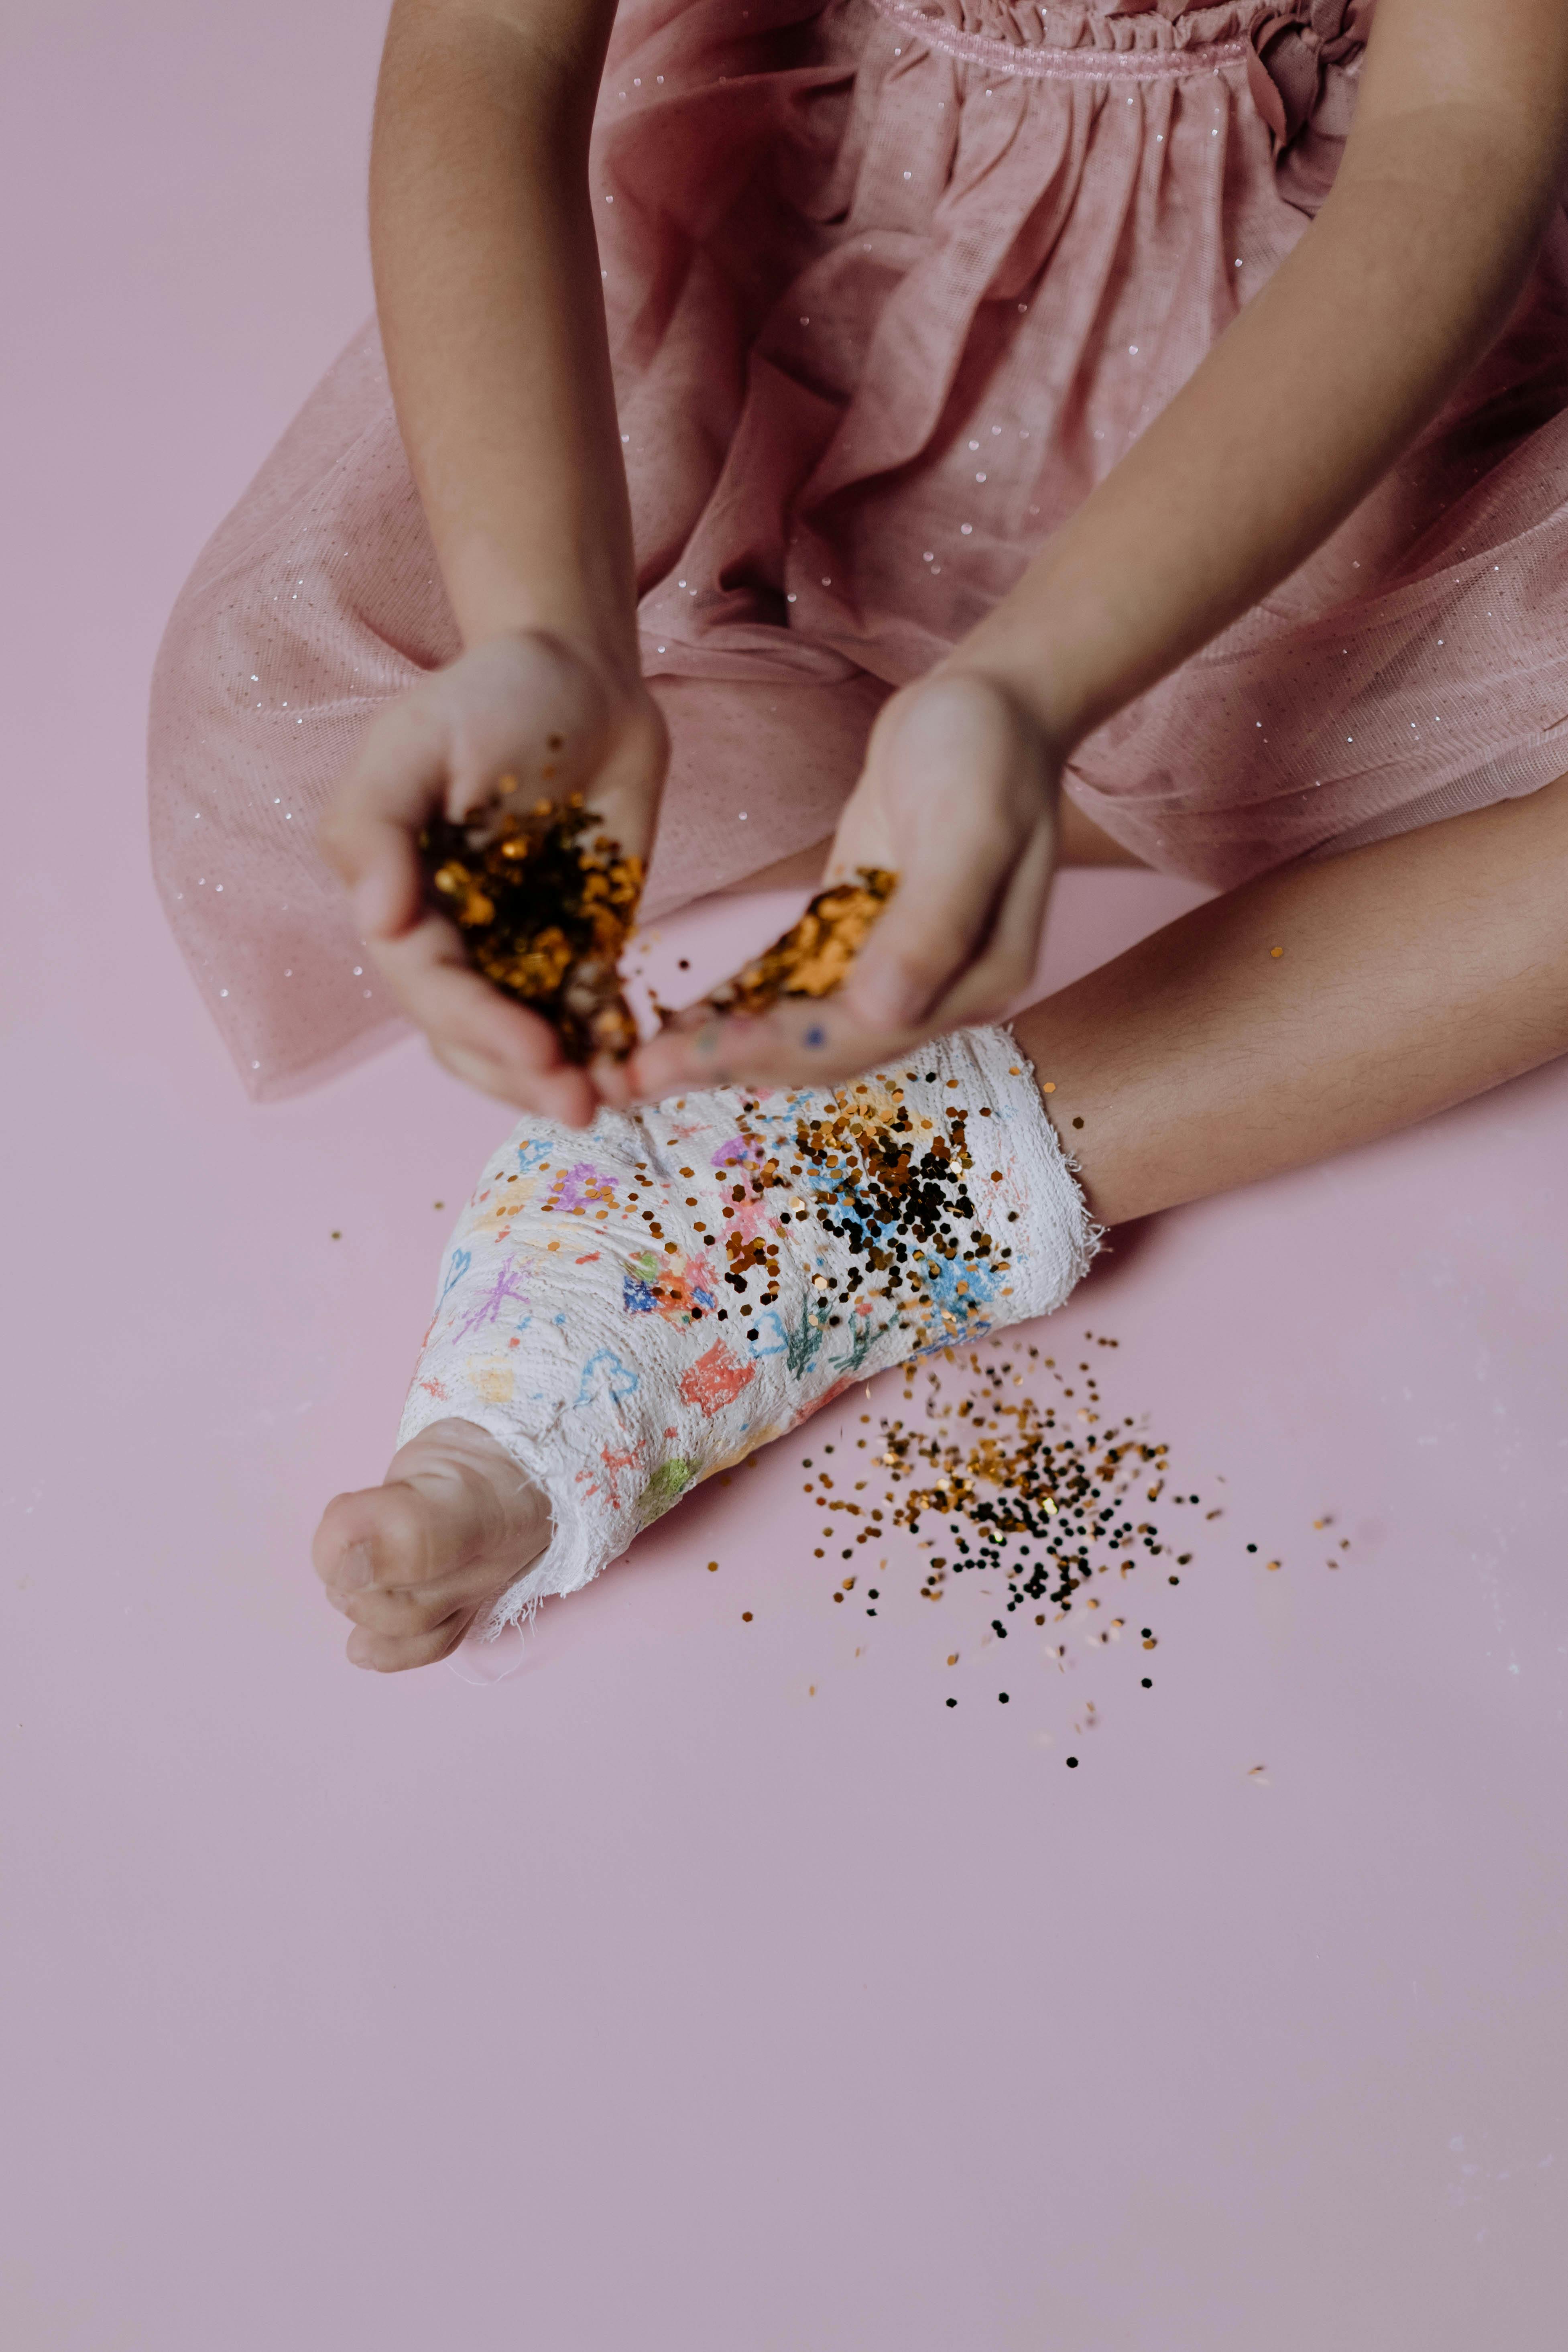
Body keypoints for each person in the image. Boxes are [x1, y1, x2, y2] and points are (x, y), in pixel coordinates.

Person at [149, 0, 1568, 1670]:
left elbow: (1459, 132)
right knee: (279, 727)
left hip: (1307, 355)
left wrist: (1032, 692)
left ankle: (860, 1196)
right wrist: (550, 636)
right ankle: (941, 780)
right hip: (826, 270)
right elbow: (488, 45)